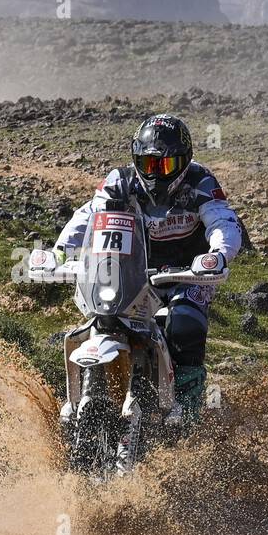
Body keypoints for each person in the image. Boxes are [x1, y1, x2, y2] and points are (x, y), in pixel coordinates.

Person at [53, 114, 243, 421]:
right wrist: (62, 251)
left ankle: (187, 406)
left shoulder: (201, 182)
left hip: (187, 273)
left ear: (183, 162)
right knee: (103, 316)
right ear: (135, 159)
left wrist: (219, 253)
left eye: (165, 166)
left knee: (184, 324)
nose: (155, 174)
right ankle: (87, 397)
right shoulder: (120, 181)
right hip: (133, 272)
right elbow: (89, 214)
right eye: (148, 164)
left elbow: (222, 220)